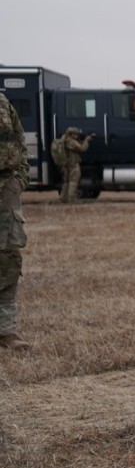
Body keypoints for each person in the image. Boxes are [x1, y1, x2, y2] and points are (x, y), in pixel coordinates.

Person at [0, 92, 30, 350]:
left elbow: (20, 144)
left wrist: (17, 182)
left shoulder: (3, 103)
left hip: (6, 196)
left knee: (7, 263)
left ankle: (6, 332)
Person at [58, 127, 94, 203]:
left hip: (67, 164)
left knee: (67, 182)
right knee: (73, 181)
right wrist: (86, 141)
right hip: (73, 164)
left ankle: (63, 198)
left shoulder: (65, 140)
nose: (77, 136)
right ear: (71, 134)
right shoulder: (71, 142)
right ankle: (71, 198)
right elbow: (82, 148)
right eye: (76, 134)